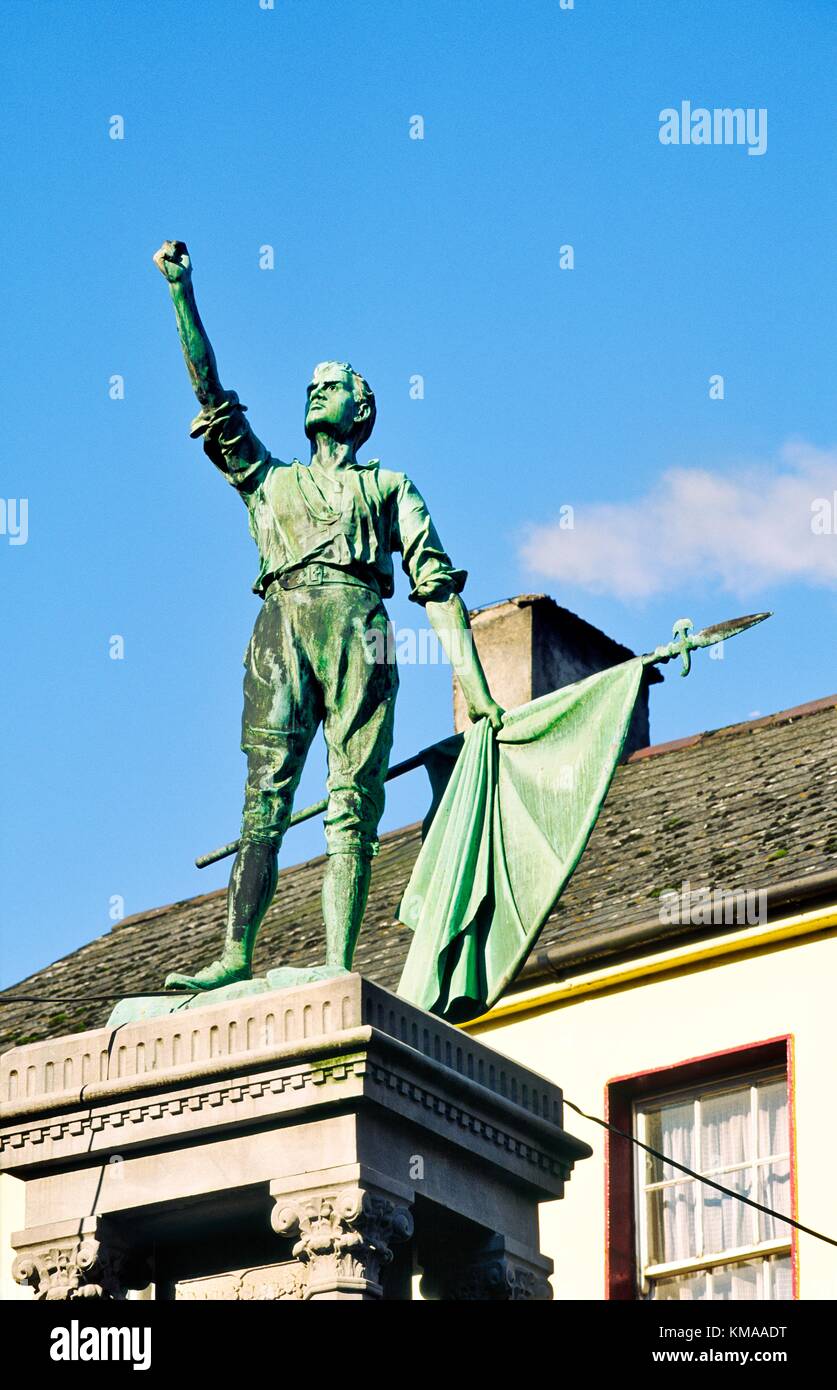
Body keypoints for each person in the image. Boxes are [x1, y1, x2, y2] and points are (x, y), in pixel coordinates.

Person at [154, 240, 503, 990]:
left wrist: (473, 688)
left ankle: (339, 967)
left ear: (362, 407)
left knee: (353, 798)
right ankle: (236, 953)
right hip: (281, 622)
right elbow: (210, 392)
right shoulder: (265, 479)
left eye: (333, 385)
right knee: (265, 795)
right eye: (312, 384)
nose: (317, 391)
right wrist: (182, 295)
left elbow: (436, 587)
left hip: (363, 628)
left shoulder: (389, 486)